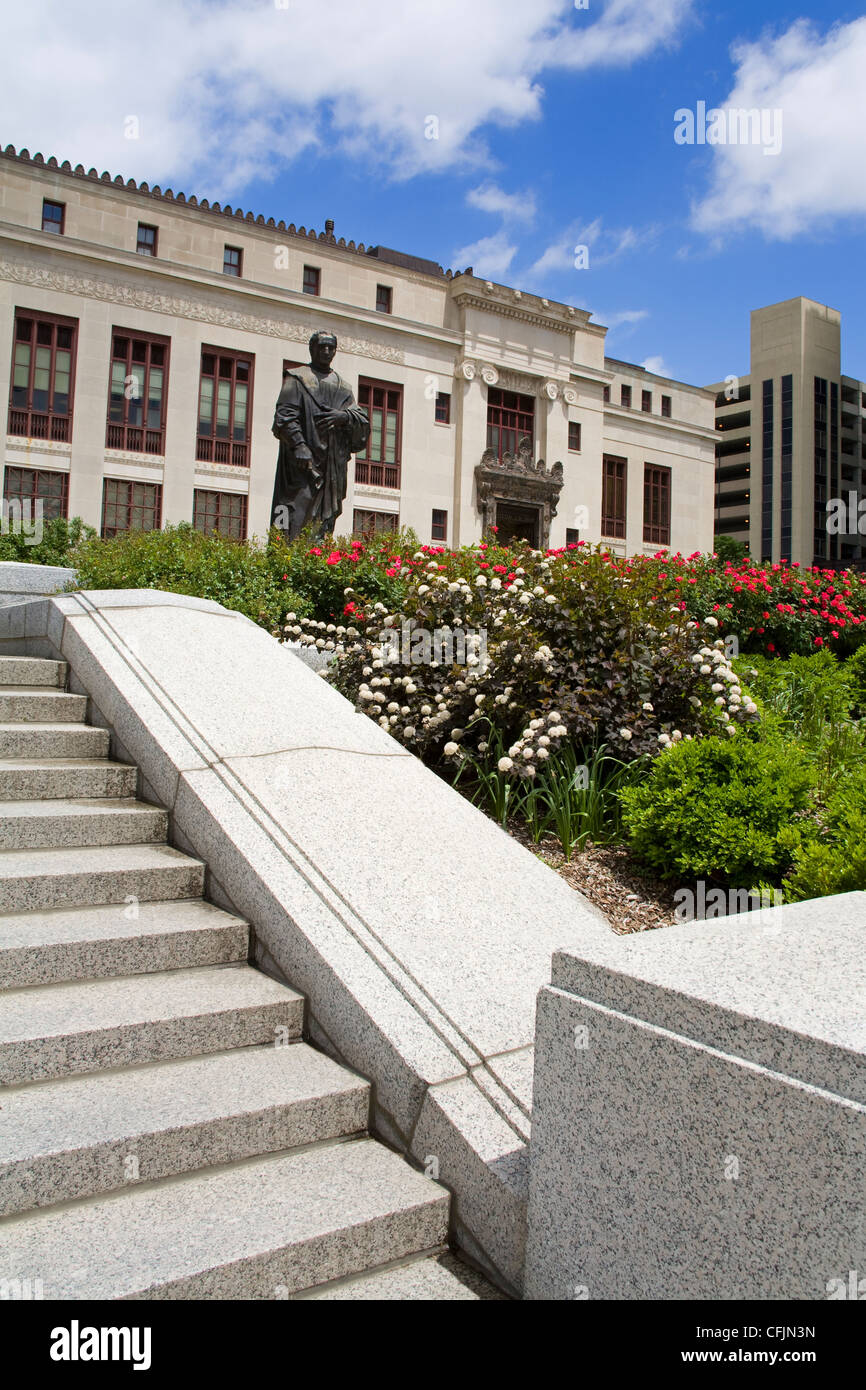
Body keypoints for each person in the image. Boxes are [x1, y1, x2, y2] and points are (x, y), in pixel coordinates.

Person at [270, 331, 369, 538]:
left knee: (322, 523)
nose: (326, 351)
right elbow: (285, 416)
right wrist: (299, 445)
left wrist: (343, 417)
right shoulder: (297, 378)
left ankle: (316, 558)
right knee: (293, 513)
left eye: (330, 347)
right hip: (301, 465)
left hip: (331, 466)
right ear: (311, 349)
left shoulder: (343, 387)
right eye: (322, 346)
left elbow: (361, 420)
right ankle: (284, 559)